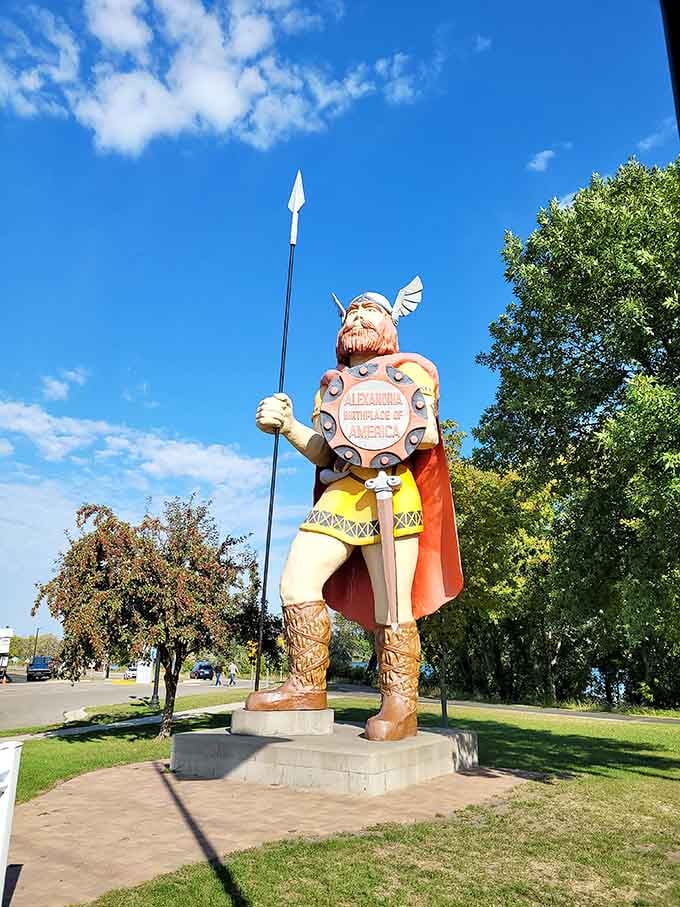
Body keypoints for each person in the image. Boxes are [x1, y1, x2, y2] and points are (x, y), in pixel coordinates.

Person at [245, 278, 463, 740]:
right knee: (295, 581)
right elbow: (325, 452)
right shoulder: (332, 386)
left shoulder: (412, 370)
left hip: (392, 492)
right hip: (342, 494)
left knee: (393, 604)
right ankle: (306, 686)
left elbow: (426, 434)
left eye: (369, 311)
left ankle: (400, 705)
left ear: (390, 323)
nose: (357, 318)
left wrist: (383, 419)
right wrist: (288, 425)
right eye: (351, 313)